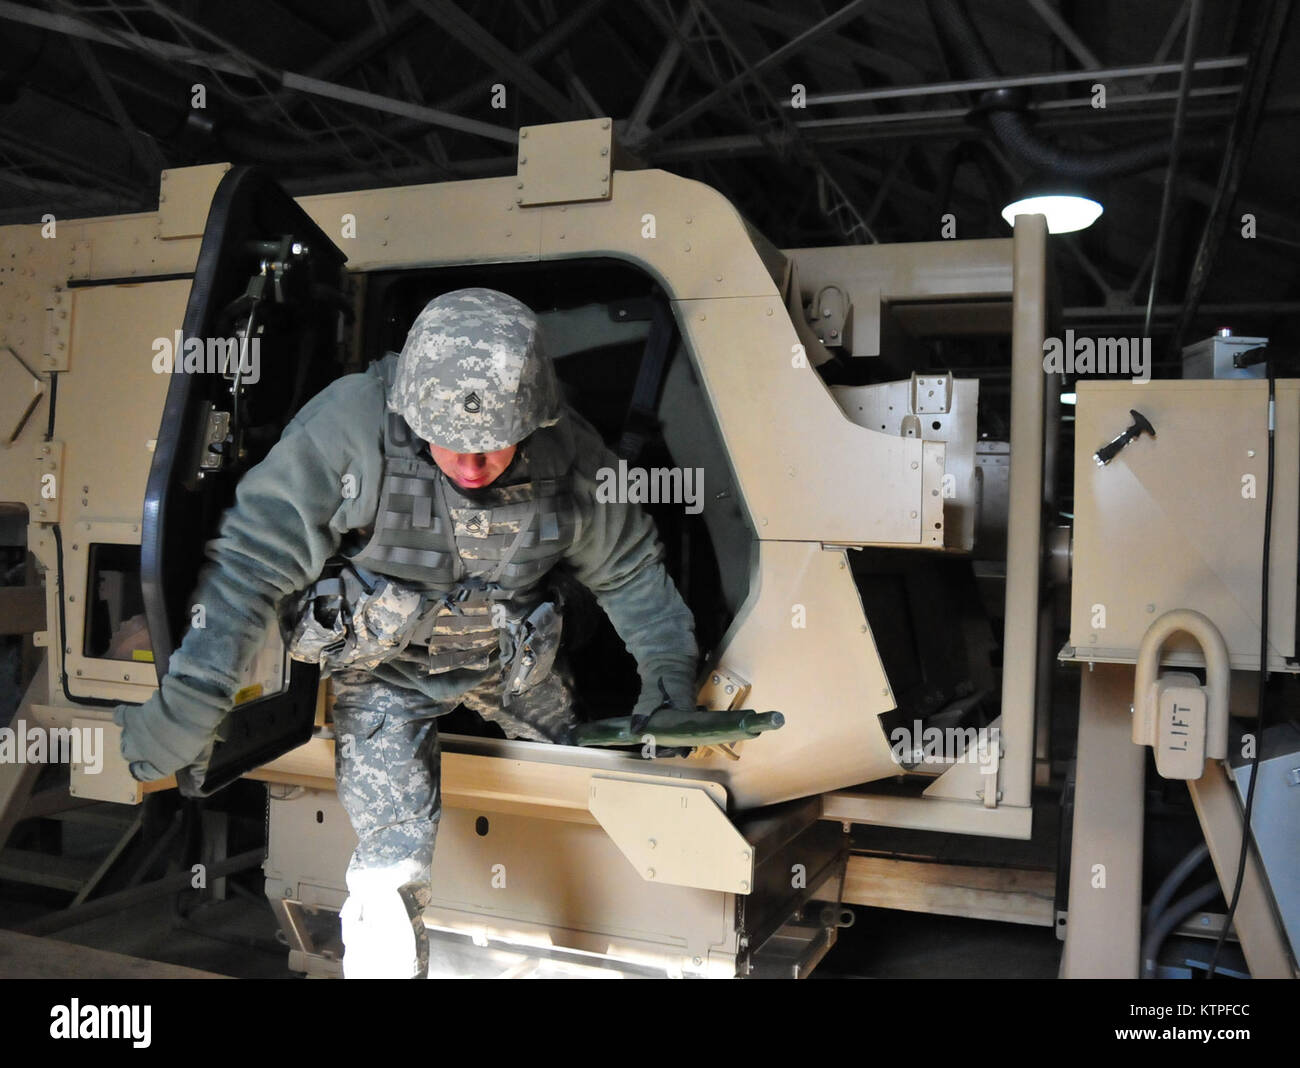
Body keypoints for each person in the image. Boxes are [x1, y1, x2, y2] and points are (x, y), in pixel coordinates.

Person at [113, 287, 700, 978]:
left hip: (510, 661)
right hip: (386, 674)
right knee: (391, 869)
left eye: (493, 446)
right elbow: (251, 563)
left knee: (595, 774)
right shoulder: (350, 428)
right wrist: (196, 694)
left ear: (536, 419)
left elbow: (630, 573)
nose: (471, 467)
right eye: (450, 444)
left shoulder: (572, 457)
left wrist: (669, 677)